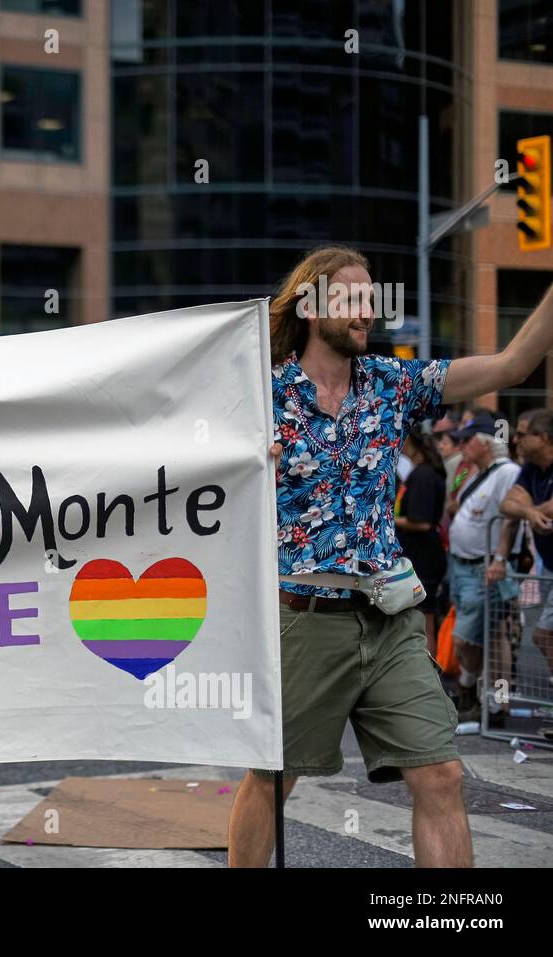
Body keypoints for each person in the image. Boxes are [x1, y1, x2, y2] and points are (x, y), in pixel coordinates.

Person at [228, 244, 553, 868]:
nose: (367, 311)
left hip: (391, 619)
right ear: (311, 304)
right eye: (351, 298)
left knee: (441, 776)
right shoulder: (258, 393)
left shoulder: (392, 383)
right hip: (300, 618)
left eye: (370, 299)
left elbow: (513, 363)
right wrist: (246, 465)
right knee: (272, 779)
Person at [444, 416, 521, 724]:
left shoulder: (507, 472)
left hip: (484, 568)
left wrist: (500, 559)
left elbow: (510, 519)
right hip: (464, 565)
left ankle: (479, 696)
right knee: (485, 637)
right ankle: (489, 702)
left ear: (485, 443)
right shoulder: (479, 472)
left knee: (476, 638)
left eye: (468, 440)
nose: (462, 445)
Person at [499, 408, 553, 739]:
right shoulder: (531, 469)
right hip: (549, 564)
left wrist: (531, 509)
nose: (515, 439)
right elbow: (507, 505)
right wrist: (531, 511)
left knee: (543, 636)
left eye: (522, 433)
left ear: (543, 437)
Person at [395, 429, 447, 653]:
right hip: (420, 552)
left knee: (424, 618)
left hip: (424, 555)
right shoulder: (419, 473)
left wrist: (389, 520)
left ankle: (430, 669)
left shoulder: (423, 475)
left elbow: (422, 521)